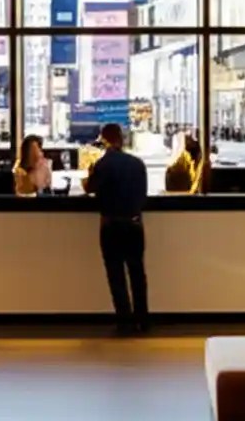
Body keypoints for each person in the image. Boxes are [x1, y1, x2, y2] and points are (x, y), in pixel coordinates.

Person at [83, 123, 149, 334]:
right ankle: (143, 319)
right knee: (137, 273)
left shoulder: (102, 165)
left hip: (111, 225)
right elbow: (143, 196)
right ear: (121, 138)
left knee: (116, 275)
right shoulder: (138, 164)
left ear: (104, 140)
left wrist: (90, 173)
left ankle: (125, 321)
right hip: (134, 223)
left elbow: (91, 189)